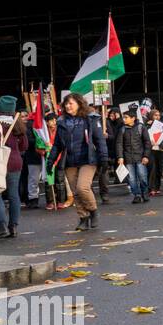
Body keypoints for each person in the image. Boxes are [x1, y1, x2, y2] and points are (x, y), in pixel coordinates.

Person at [48, 93, 109, 231]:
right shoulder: (62, 121)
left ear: (79, 103)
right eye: (66, 104)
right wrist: (50, 161)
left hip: (88, 159)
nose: (68, 106)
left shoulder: (91, 119)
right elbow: (57, 144)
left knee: (83, 187)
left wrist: (104, 158)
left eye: (71, 103)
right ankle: (83, 218)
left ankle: (93, 211)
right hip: (69, 161)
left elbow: (100, 141)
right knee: (75, 192)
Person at [0, 97, 27, 241]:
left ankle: (1, 227)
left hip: (0, 163)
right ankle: (13, 227)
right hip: (16, 162)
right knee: (14, 194)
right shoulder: (18, 124)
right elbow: (24, 147)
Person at [115, 105, 150, 203]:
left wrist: (146, 156)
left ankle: (145, 193)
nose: (124, 119)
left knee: (143, 177)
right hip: (128, 158)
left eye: (126, 118)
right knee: (132, 179)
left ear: (133, 118)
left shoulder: (141, 127)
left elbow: (147, 142)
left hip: (140, 157)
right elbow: (119, 144)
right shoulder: (122, 129)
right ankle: (137, 195)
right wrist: (120, 157)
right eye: (123, 117)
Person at [93, 107, 121, 204]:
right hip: (90, 152)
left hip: (102, 152)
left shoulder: (104, 122)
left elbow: (112, 136)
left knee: (103, 174)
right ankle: (90, 196)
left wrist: (106, 135)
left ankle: (104, 195)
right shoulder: (84, 122)